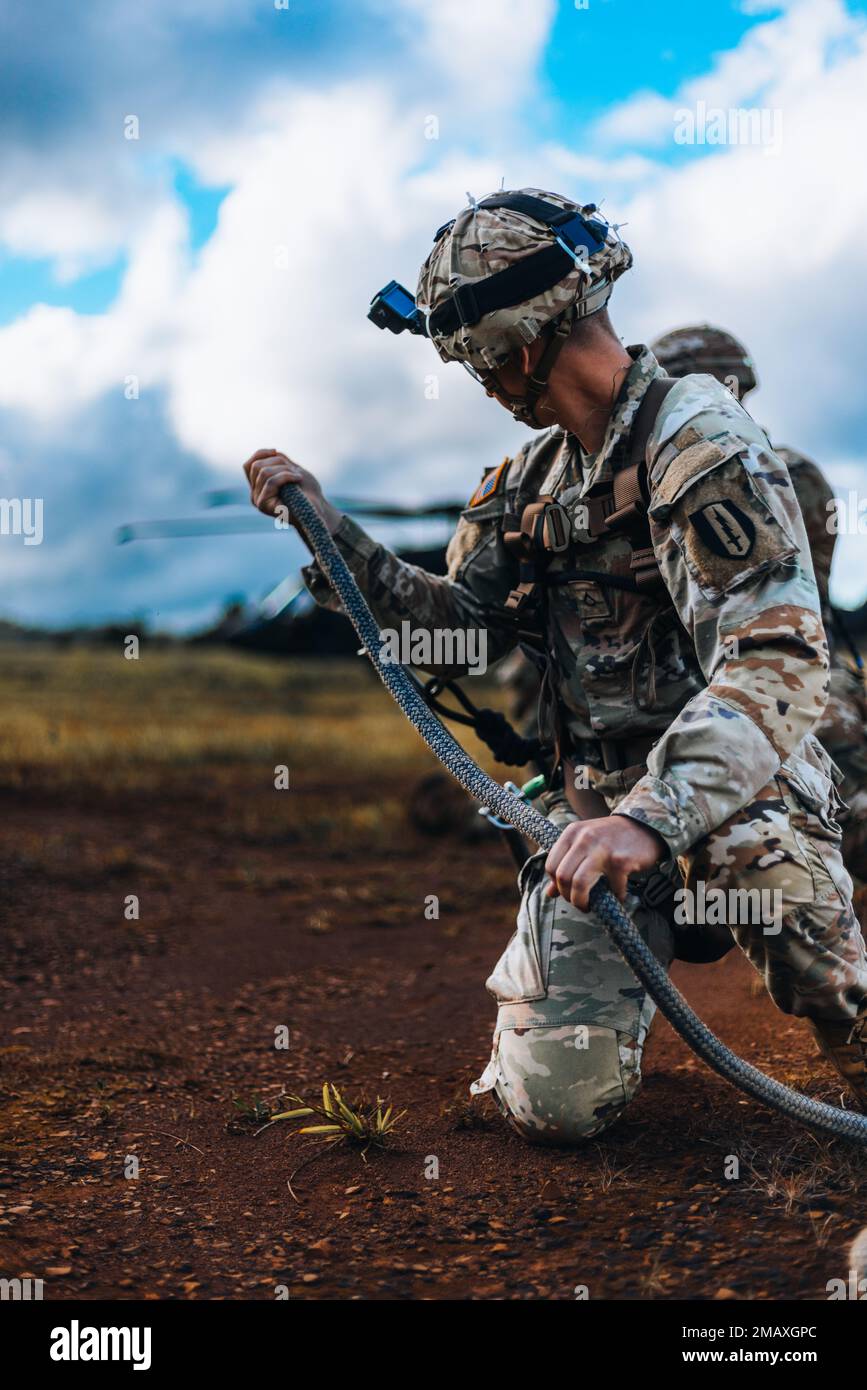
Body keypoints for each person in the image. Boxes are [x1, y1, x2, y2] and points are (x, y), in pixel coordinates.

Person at [242, 188, 867, 1140]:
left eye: (475, 361)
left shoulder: (700, 443)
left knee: (791, 922)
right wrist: (337, 540)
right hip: (595, 822)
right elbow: (458, 628)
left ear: (517, 349)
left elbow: (773, 661)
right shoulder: (526, 482)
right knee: (557, 1109)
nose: (479, 383)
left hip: (738, 797)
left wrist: (651, 820)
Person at [651, 325, 867, 885]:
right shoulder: (650, 470)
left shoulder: (782, 472)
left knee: (831, 755)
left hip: (782, 664)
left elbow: (792, 603)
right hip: (696, 678)